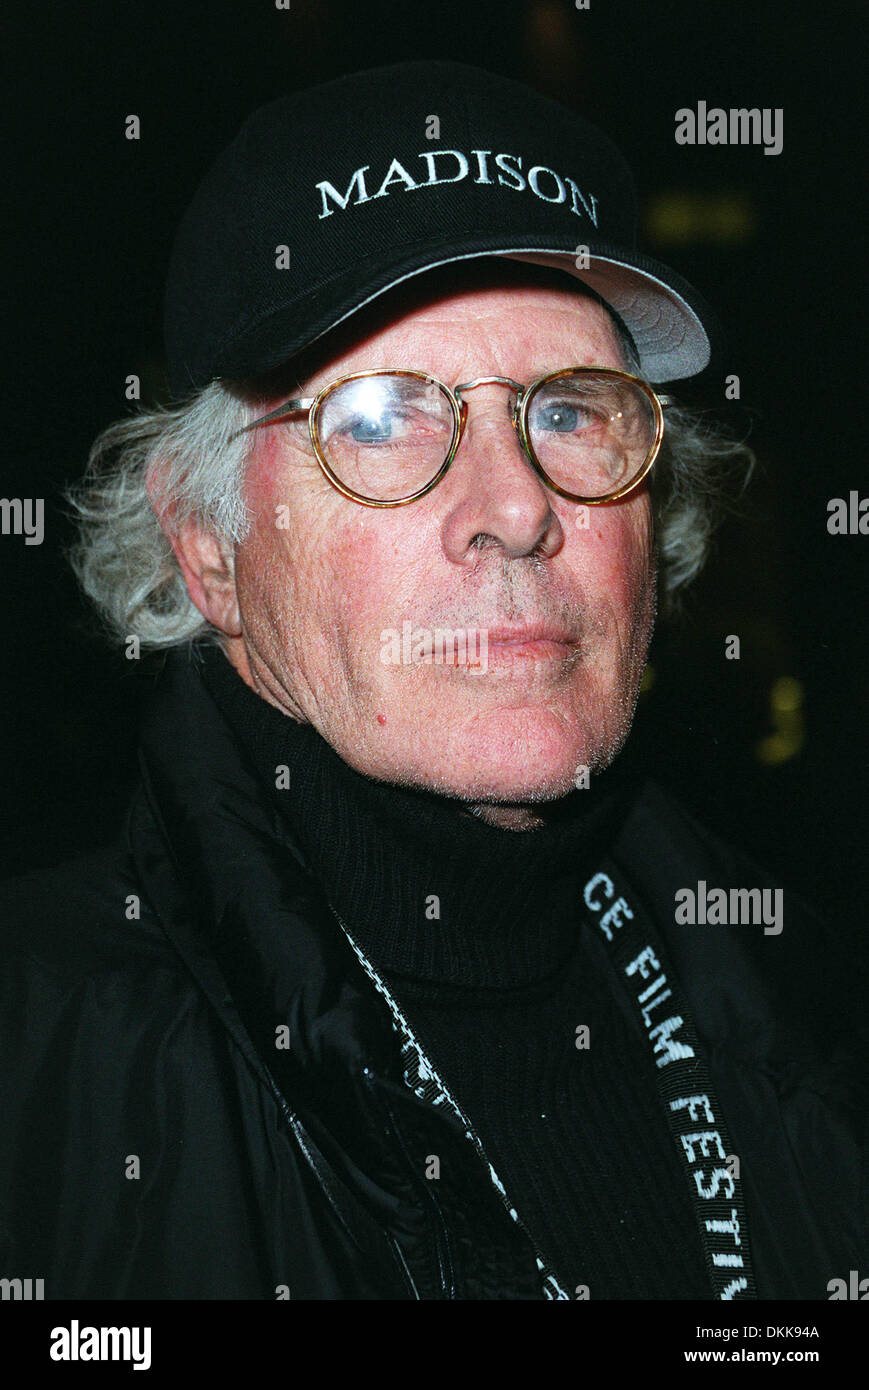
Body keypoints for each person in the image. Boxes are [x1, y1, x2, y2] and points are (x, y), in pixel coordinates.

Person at [0, 61, 863, 1302]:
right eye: (378, 416)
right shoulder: (43, 1073)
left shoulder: (805, 1006)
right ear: (207, 545)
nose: (516, 508)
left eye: (570, 411)